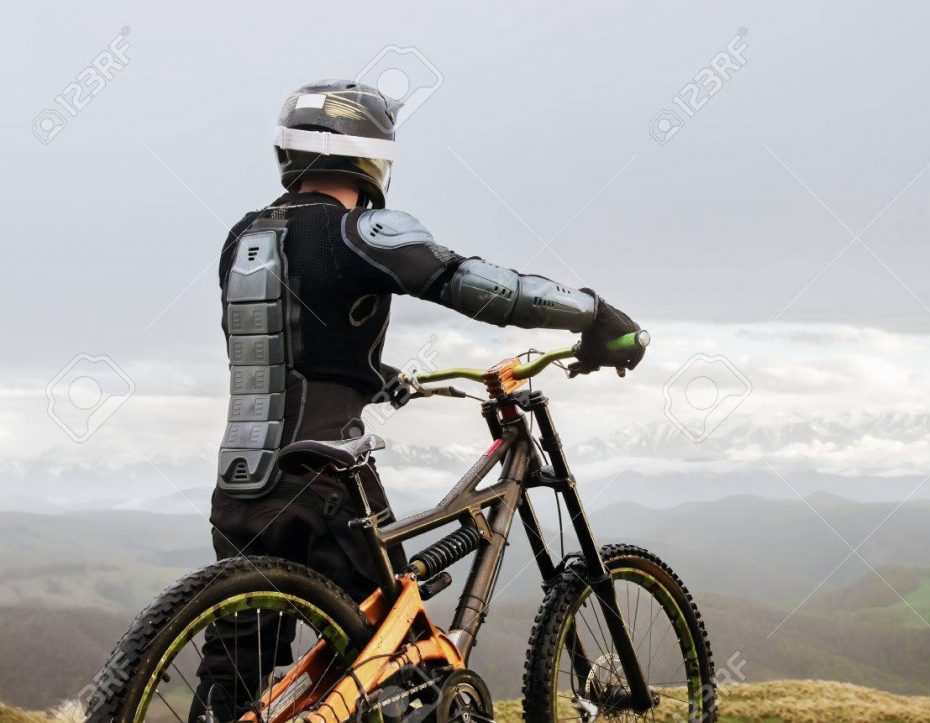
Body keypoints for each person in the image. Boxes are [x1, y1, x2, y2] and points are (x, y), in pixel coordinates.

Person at [189, 79, 644, 720]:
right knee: (399, 660)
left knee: (232, 675)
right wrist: (592, 314)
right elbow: (477, 285)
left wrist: (377, 374)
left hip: (240, 485)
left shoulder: (245, 239)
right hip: (323, 480)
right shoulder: (361, 232)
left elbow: (292, 343)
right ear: (371, 158)